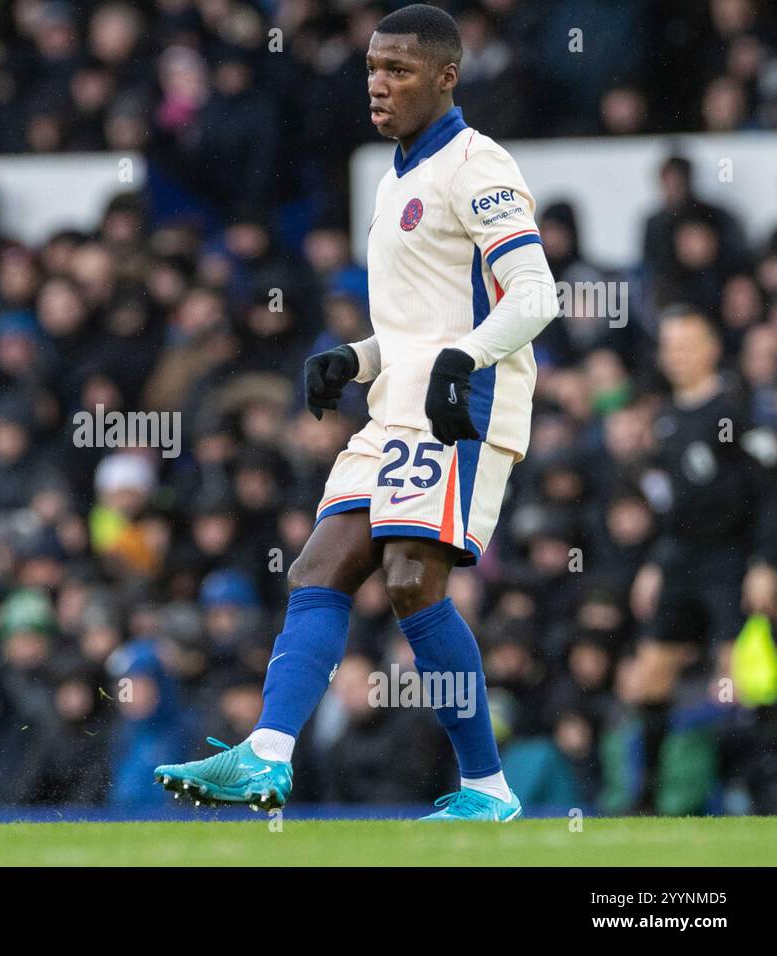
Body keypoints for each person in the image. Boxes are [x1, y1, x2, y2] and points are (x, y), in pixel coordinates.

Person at [154, 4, 558, 821]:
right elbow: (419, 322)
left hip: (463, 402)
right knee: (318, 565)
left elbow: (536, 294)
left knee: (411, 581)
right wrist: (357, 358)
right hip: (402, 395)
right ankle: (267, 755)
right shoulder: (393, 175)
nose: (378, 85)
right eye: (373, 68)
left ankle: (488, 789)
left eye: (399, 71)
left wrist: (462, 361)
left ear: (447, 76)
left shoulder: (479, 166)